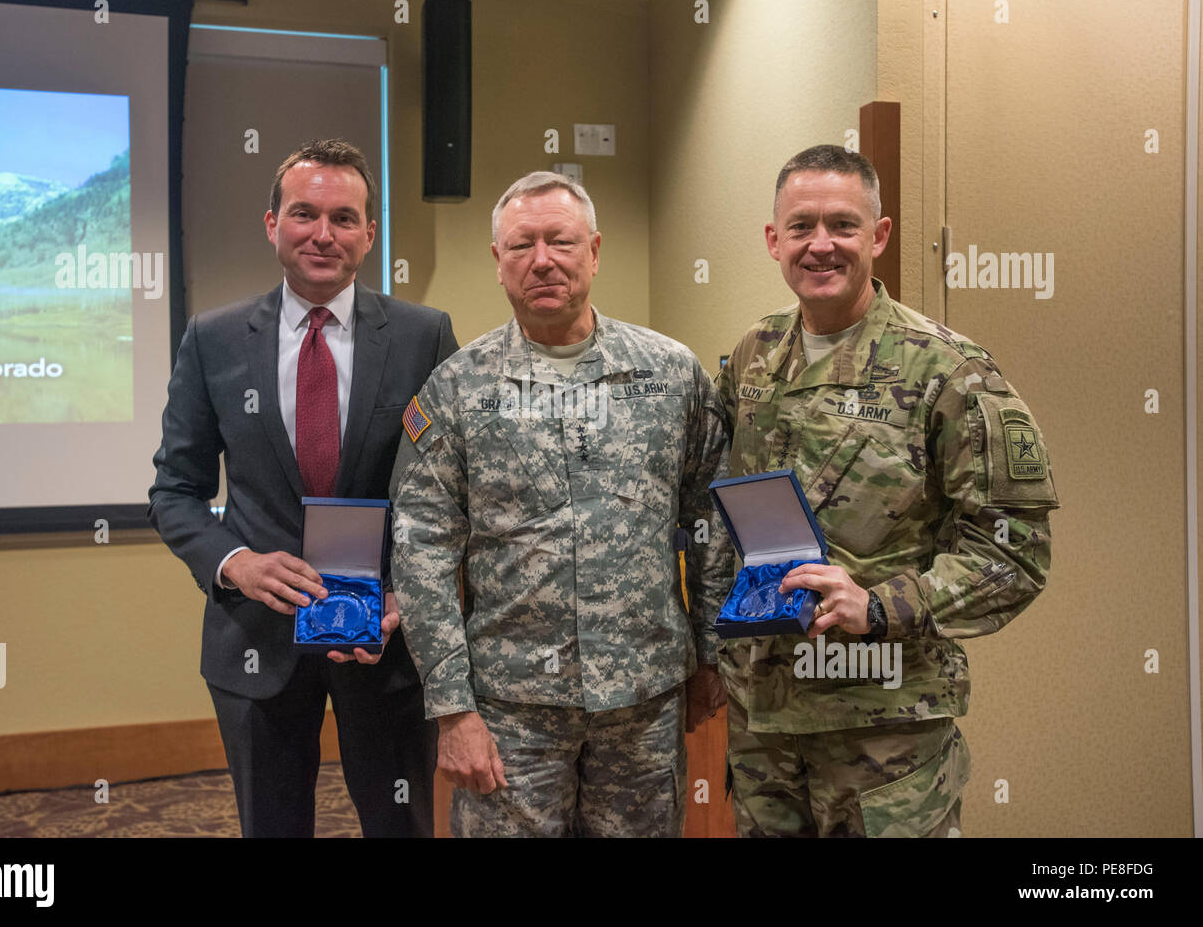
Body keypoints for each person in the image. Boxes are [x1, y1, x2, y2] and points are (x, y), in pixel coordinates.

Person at [716, 144, 1059, 837]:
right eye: (801, 225)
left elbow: (1014, 553)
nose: (821, 245)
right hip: (765, 726)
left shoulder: (951, 372)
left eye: (843, 225)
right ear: (772, 239)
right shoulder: (754, 354)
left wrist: (878, 604)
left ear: (879, 235)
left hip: (883, 736)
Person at [390, 171, 732, 837]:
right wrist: (452, 707)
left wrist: (711, 651)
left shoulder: (670, 373)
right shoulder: (457, 389)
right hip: (510, 709)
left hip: (643, 701)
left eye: (561, 241)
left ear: (595, 251)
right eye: (522, 245)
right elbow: (421, 547)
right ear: (498, 261)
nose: (542, 259)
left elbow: (712, 517)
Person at [148, 138, 458, 837]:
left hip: (385, 638)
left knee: (401, 823)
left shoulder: (423, 336)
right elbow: (174, 490)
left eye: (345, 218)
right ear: (272, 224)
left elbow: (451, 489)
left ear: (370, 234)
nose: (324, 233)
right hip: (256, 639)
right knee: (273, 824)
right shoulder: (215, 339)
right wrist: (237, 563)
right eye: (304, 213)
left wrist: (409, 595)